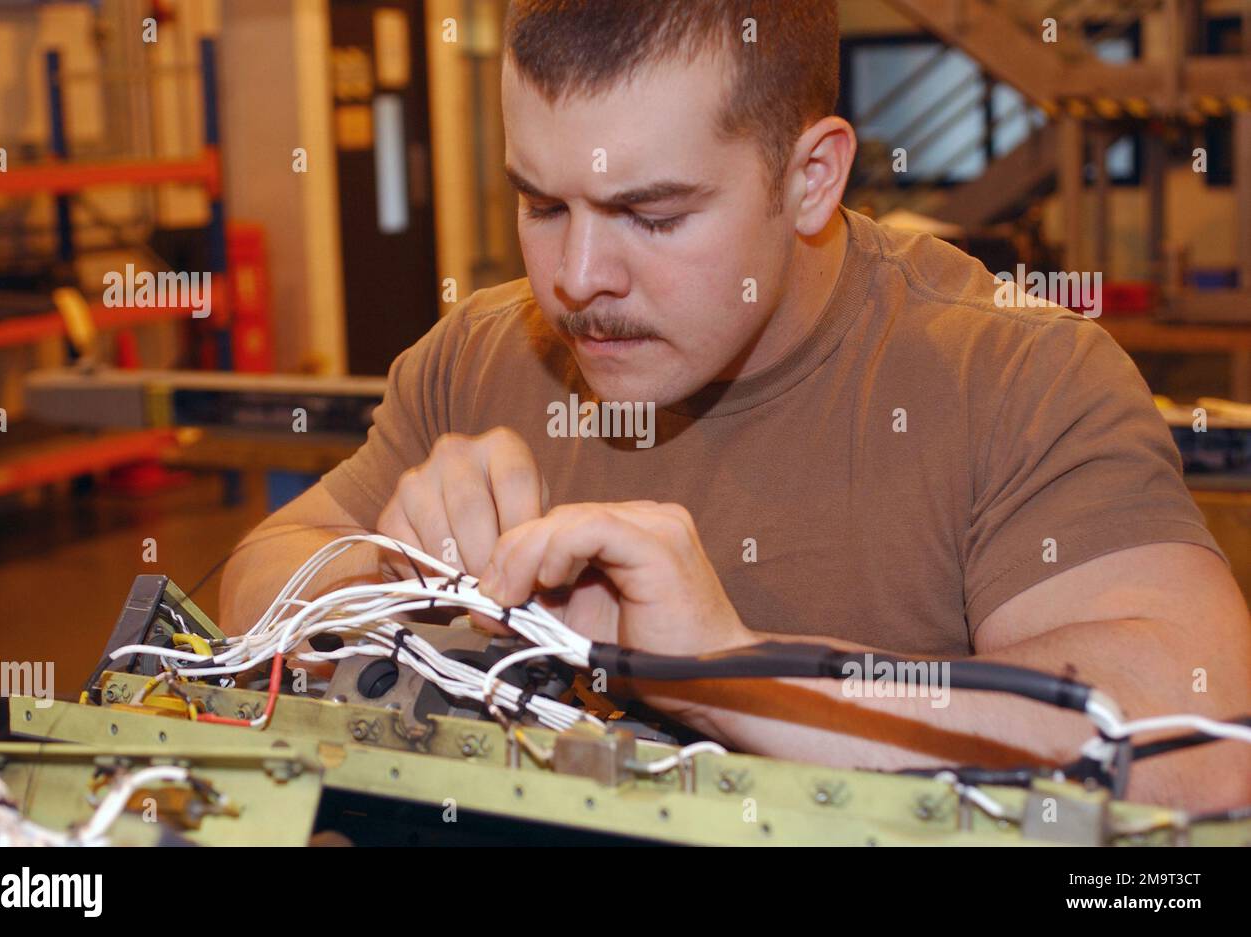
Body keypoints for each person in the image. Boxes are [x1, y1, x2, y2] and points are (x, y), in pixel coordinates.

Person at [220, 0, 1250, 811]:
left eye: (651, 215)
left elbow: (1200, 729)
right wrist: (376, 571)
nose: (577, 278)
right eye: (541, 204)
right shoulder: (484, 359)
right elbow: (248, 593)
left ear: (810, 178)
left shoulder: (1015, 374)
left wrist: (729, 676)